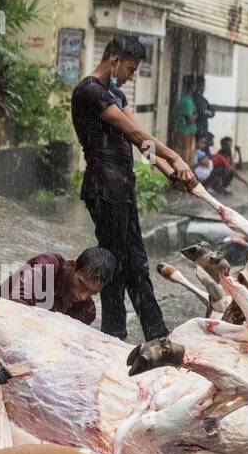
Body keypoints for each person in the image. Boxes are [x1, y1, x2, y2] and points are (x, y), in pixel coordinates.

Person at [71, 35, 196, 342]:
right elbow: (137, 133)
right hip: (103, 187)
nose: (130, 77)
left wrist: (168, 172)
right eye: (129, 69)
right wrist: (176, 157)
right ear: (114, 60)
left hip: (121, 188)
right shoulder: (90, 91)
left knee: (135, 261)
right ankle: (118, 334)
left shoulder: (113, 93)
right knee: (115, 262)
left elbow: (141, 146)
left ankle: (152, 333)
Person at [0, 247, 116, 326]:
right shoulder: (47, 265)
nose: (83, 297)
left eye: (92, 292)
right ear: (73, 266)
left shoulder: (87, 311)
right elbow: (15, 305)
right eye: (81, 284)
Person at [170, 77, 197, 168]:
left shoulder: (187, 99)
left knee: (187, 155)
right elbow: (189, 119)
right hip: (185, 132)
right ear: (192, 86)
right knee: (185, 156)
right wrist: (196, 116)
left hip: (185, 131)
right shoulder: (186, 101)